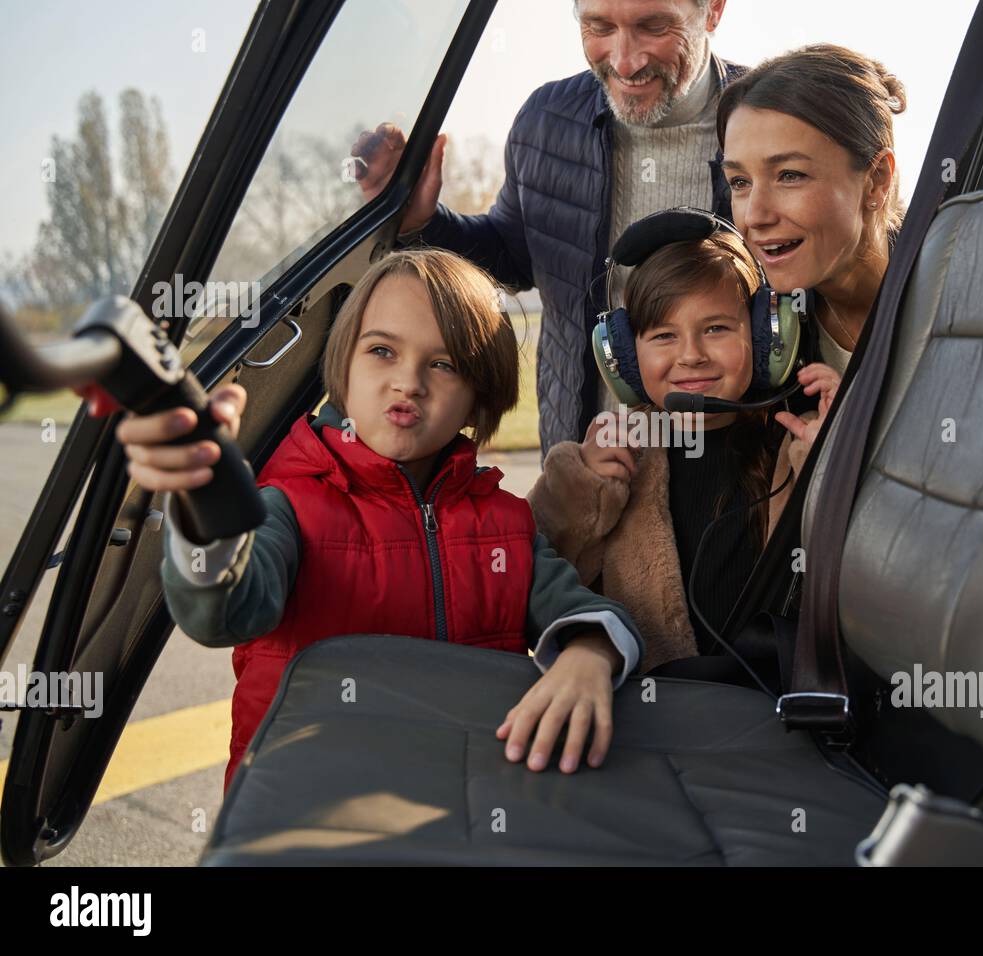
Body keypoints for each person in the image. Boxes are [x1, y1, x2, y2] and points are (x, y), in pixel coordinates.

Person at [115, 249, 644, 791]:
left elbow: (586, 612)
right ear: (343, 366)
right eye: (382, 351)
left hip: (465, 815)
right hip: (302, 819)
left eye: (444, 364)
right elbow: (220, 612)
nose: (408, 382)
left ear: (478, 396)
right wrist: (208, 506)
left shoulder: (507, 526)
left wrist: (589, 652)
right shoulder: (287, 505)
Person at [351, 0, 744, 455]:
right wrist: (423, 223)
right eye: (599, 26)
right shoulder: (545, 121)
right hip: (581, 470)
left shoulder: (771, 122)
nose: (624, 61)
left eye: (653, 26)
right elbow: (513, 261)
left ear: (713, 10)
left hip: (742, 471)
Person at [527, 226, 838, 674]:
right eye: (663, 336)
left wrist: (834, 452)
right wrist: (585, 488)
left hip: (772, 712)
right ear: (624, 358)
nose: (691, 355)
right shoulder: (617, 458)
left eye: (715, 328)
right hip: (656, 713)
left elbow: (868, 569)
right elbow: (534, 566)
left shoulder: (799, 444)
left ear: (770, 338)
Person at [718, 44, 907, 373]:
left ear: (877, 180)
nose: (755, 217)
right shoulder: (758, 334)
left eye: (789, 176)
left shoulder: (963, 301)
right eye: (739, 182)